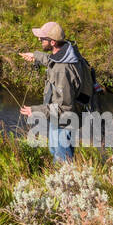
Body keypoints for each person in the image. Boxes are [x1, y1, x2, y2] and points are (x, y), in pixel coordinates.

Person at [18, 21, 94, 163]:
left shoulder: (62, 70)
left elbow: (65, 108)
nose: (39, 39)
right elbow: (53, 60)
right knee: (54, 150)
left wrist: (35, 110)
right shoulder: (69, 51)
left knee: (62, 158)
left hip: (64, 120)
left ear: (52, 42)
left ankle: (66, 182)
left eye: (42, 38)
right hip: (59, 115)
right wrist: (35, 55)